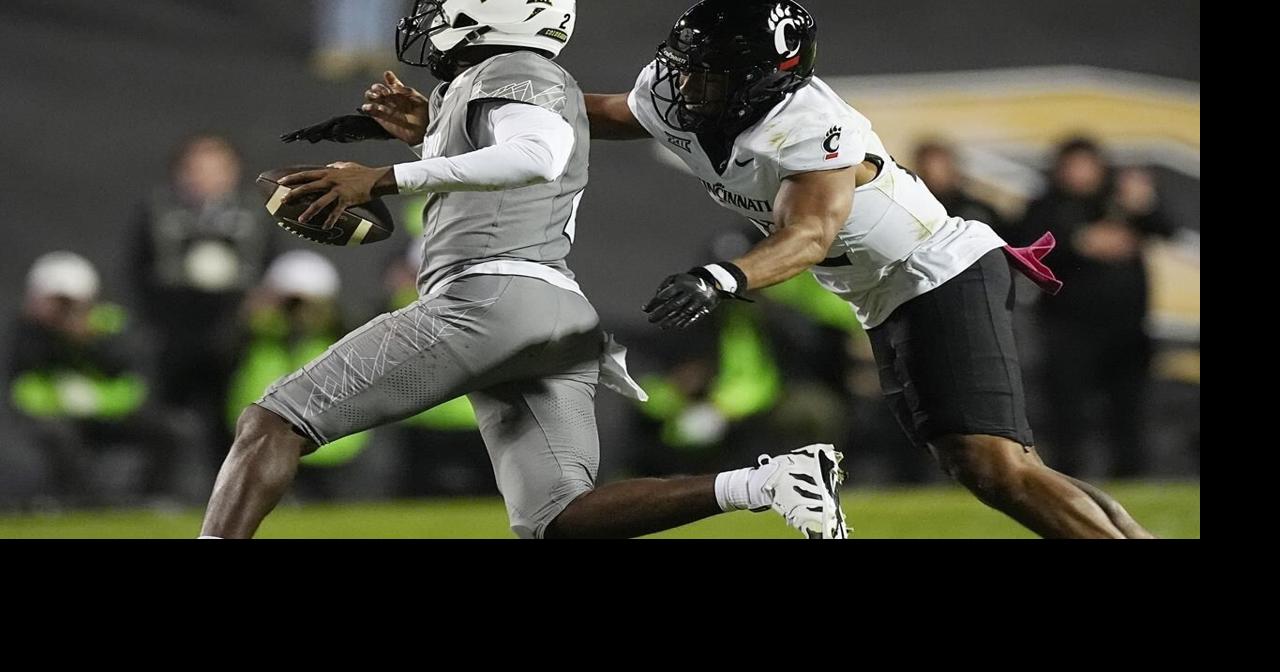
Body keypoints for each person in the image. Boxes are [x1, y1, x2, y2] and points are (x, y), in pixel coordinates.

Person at [200, 0, 847, 540]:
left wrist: (385, 178)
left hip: (489, 297)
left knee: (274, 421)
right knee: (556, 518)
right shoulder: (499, 77)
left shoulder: (514, 66)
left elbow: (538, 153)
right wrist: (429, 137)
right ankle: (767, 482)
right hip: (548, 310)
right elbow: (512, 166)